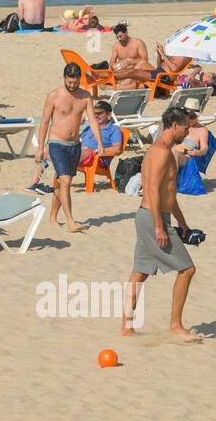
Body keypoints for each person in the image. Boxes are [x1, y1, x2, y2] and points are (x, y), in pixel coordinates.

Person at [120, 106, 202, 341]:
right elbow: (153, 190)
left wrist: (183, 225)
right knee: (187, 270)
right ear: (174, 125)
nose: (187, 132)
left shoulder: (166, 151)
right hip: (152, 217)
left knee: (140, 273)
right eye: (185, 127)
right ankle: (175, 326)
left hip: (153, 216)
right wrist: (159, 226)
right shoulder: (160, 152)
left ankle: (126, 327)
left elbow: (169, 194)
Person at [35, 62, 105, 233]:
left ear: (80, 79)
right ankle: (70, 221)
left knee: (63, 183)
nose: (72, 85)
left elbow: (93, 120)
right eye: (69, 82)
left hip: (74, 145)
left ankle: (53, 217)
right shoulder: (54, 96)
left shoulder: (85, 96)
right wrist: (40, 147)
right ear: (64, 78)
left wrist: (100, 142)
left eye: (75, 82)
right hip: (56, 143)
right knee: (65, 181)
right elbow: (44, 122)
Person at [79, 99, 125, 172]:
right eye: (94, 113)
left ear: (108, 115)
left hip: (97, 159)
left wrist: (96, 150)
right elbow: (77, 141)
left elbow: (117, 149)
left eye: (99, 113)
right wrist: (77, 124)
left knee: (69, 156)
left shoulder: (113, 129)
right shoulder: (89, 127)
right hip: (82, 154)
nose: (96, 115)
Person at [109, 23, 152, 90]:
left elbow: (145, 61)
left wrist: (131, 61)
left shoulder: (138, 43)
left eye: (121, 36)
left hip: (135, 74)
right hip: (122, 74)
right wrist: (114, 65)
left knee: (141, 65)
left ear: (126, 33)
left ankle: (119, 86)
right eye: (117, 37)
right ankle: (120, 85)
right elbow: (112, 62)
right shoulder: (116, 46)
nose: (119, 39)